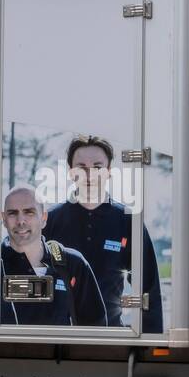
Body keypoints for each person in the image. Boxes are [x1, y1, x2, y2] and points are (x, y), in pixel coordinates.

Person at [43, 135, 163, 332]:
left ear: (108, 172)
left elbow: (148, 289)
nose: (89, 175)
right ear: (71, 172)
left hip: (111, 337)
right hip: (58, 338)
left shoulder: (127, 221)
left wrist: (151, 345)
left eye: (97, 167)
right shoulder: (50, 221)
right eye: (81, 167)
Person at [0, 185, 106, 327]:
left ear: (44, 218)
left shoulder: (72, 264)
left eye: (29, 212)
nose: (20, 221)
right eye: (12, 213)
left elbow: (96, 329)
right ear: (4, 219)